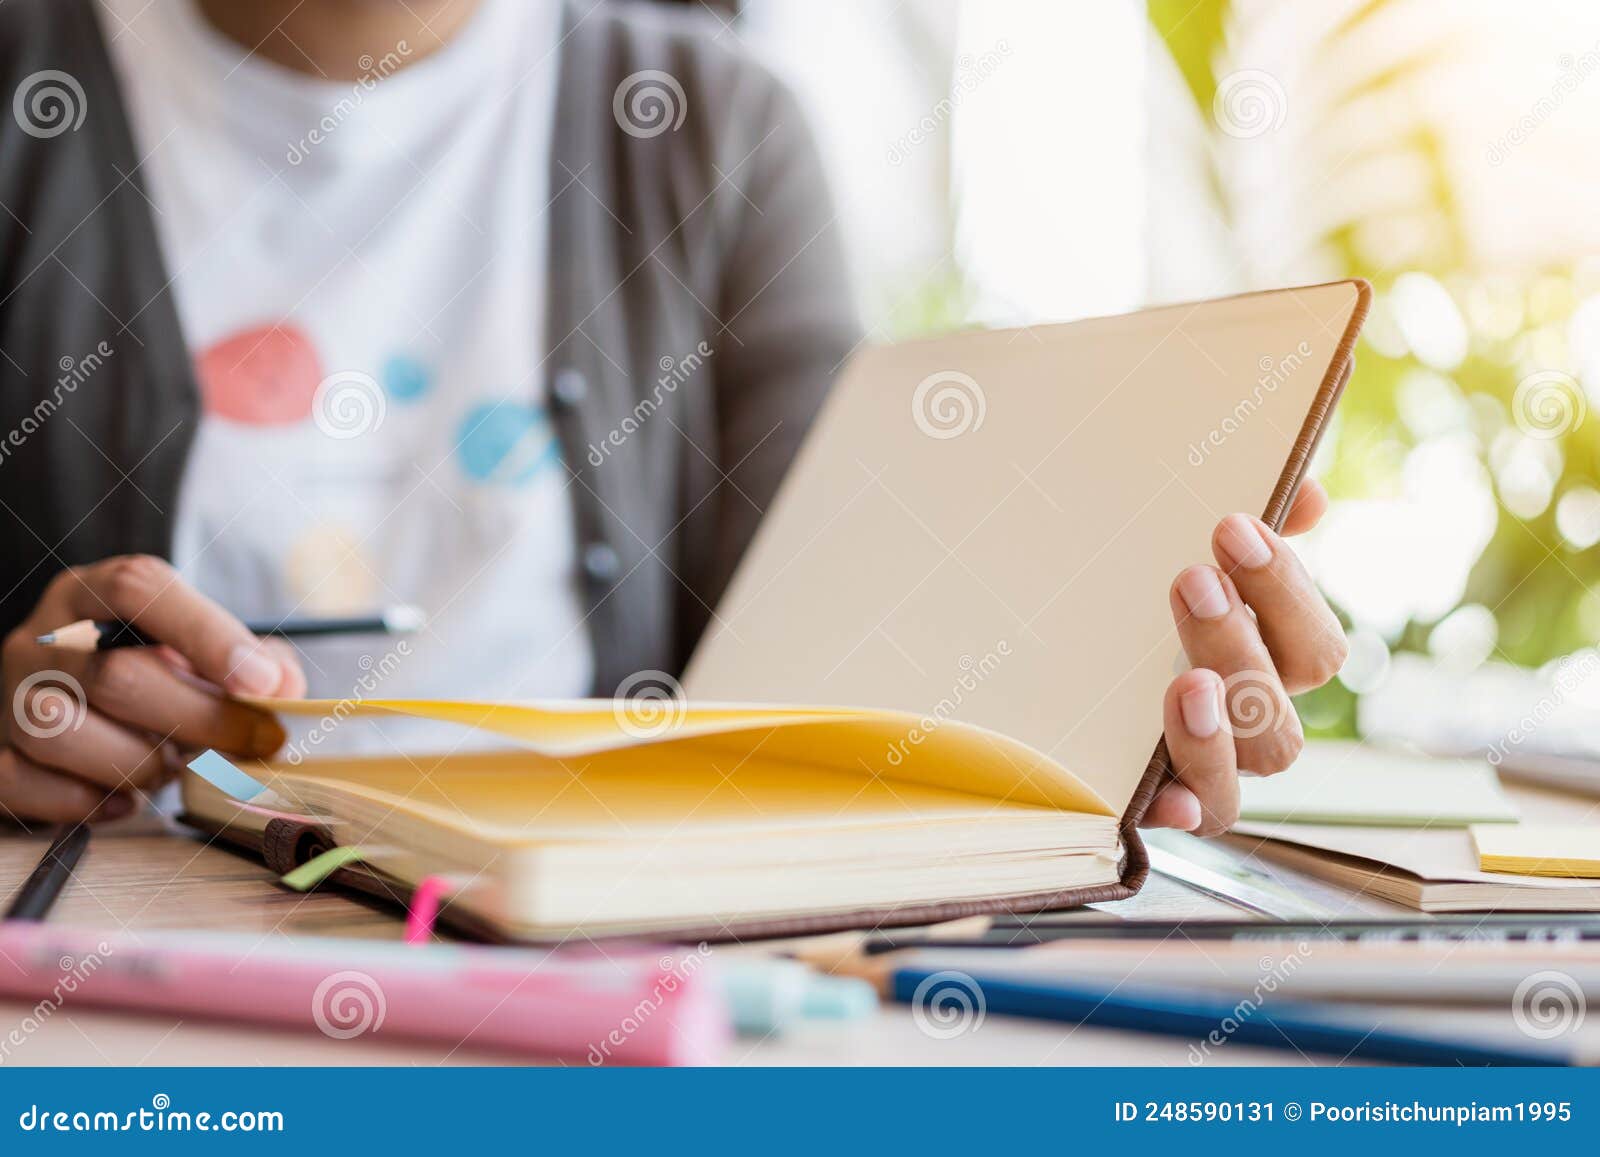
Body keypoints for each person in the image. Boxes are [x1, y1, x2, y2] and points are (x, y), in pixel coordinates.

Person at [0, 0, 1346, 835]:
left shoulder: (717, 127)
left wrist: (1100, 689)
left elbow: (832, 635)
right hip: (113, 937)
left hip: (588, 950)